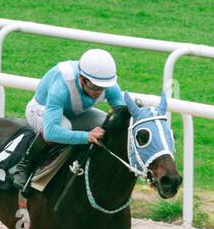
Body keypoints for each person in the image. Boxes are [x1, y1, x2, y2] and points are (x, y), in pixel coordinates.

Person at [7, 48, 129, 196]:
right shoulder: (61, 87)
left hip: (75, 112)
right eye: (94, 87)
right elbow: (51, 131)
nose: (98, 92)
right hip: (41, 109)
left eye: (103, 88)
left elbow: (122, 113)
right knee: (64, 127)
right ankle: (23, 167)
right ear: (81, 79)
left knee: (105, 124)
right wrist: (86, 136)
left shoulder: (107, 85)